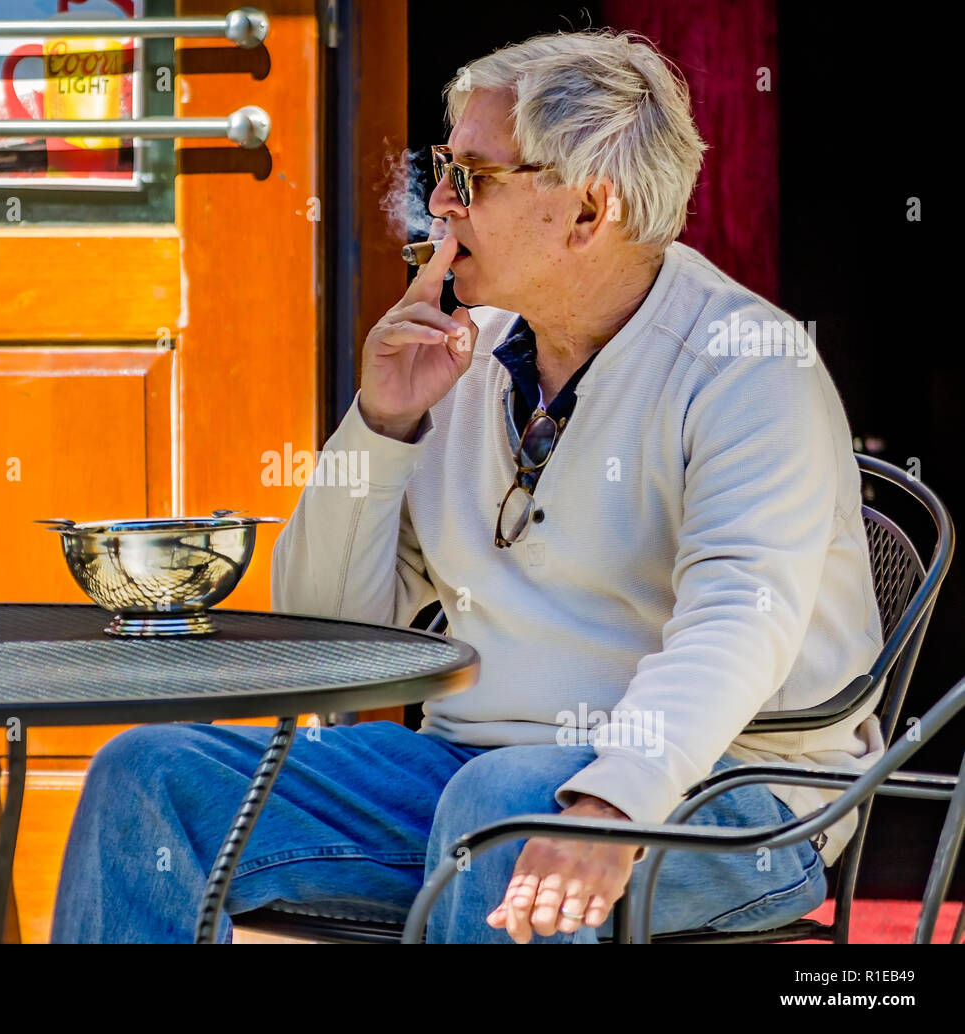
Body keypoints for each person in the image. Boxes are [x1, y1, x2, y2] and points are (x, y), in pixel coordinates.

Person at [50, 28, 882, 944]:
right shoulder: (470, 352)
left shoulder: (747, 365)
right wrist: (382, 427)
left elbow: (737, 623)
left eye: (473, 178)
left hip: (723, 793)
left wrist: (612, 805)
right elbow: (326, 636)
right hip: (463, 777)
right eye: (443, 169)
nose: (438, 203)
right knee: (150, 776)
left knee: (502, 807)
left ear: (587, 210)